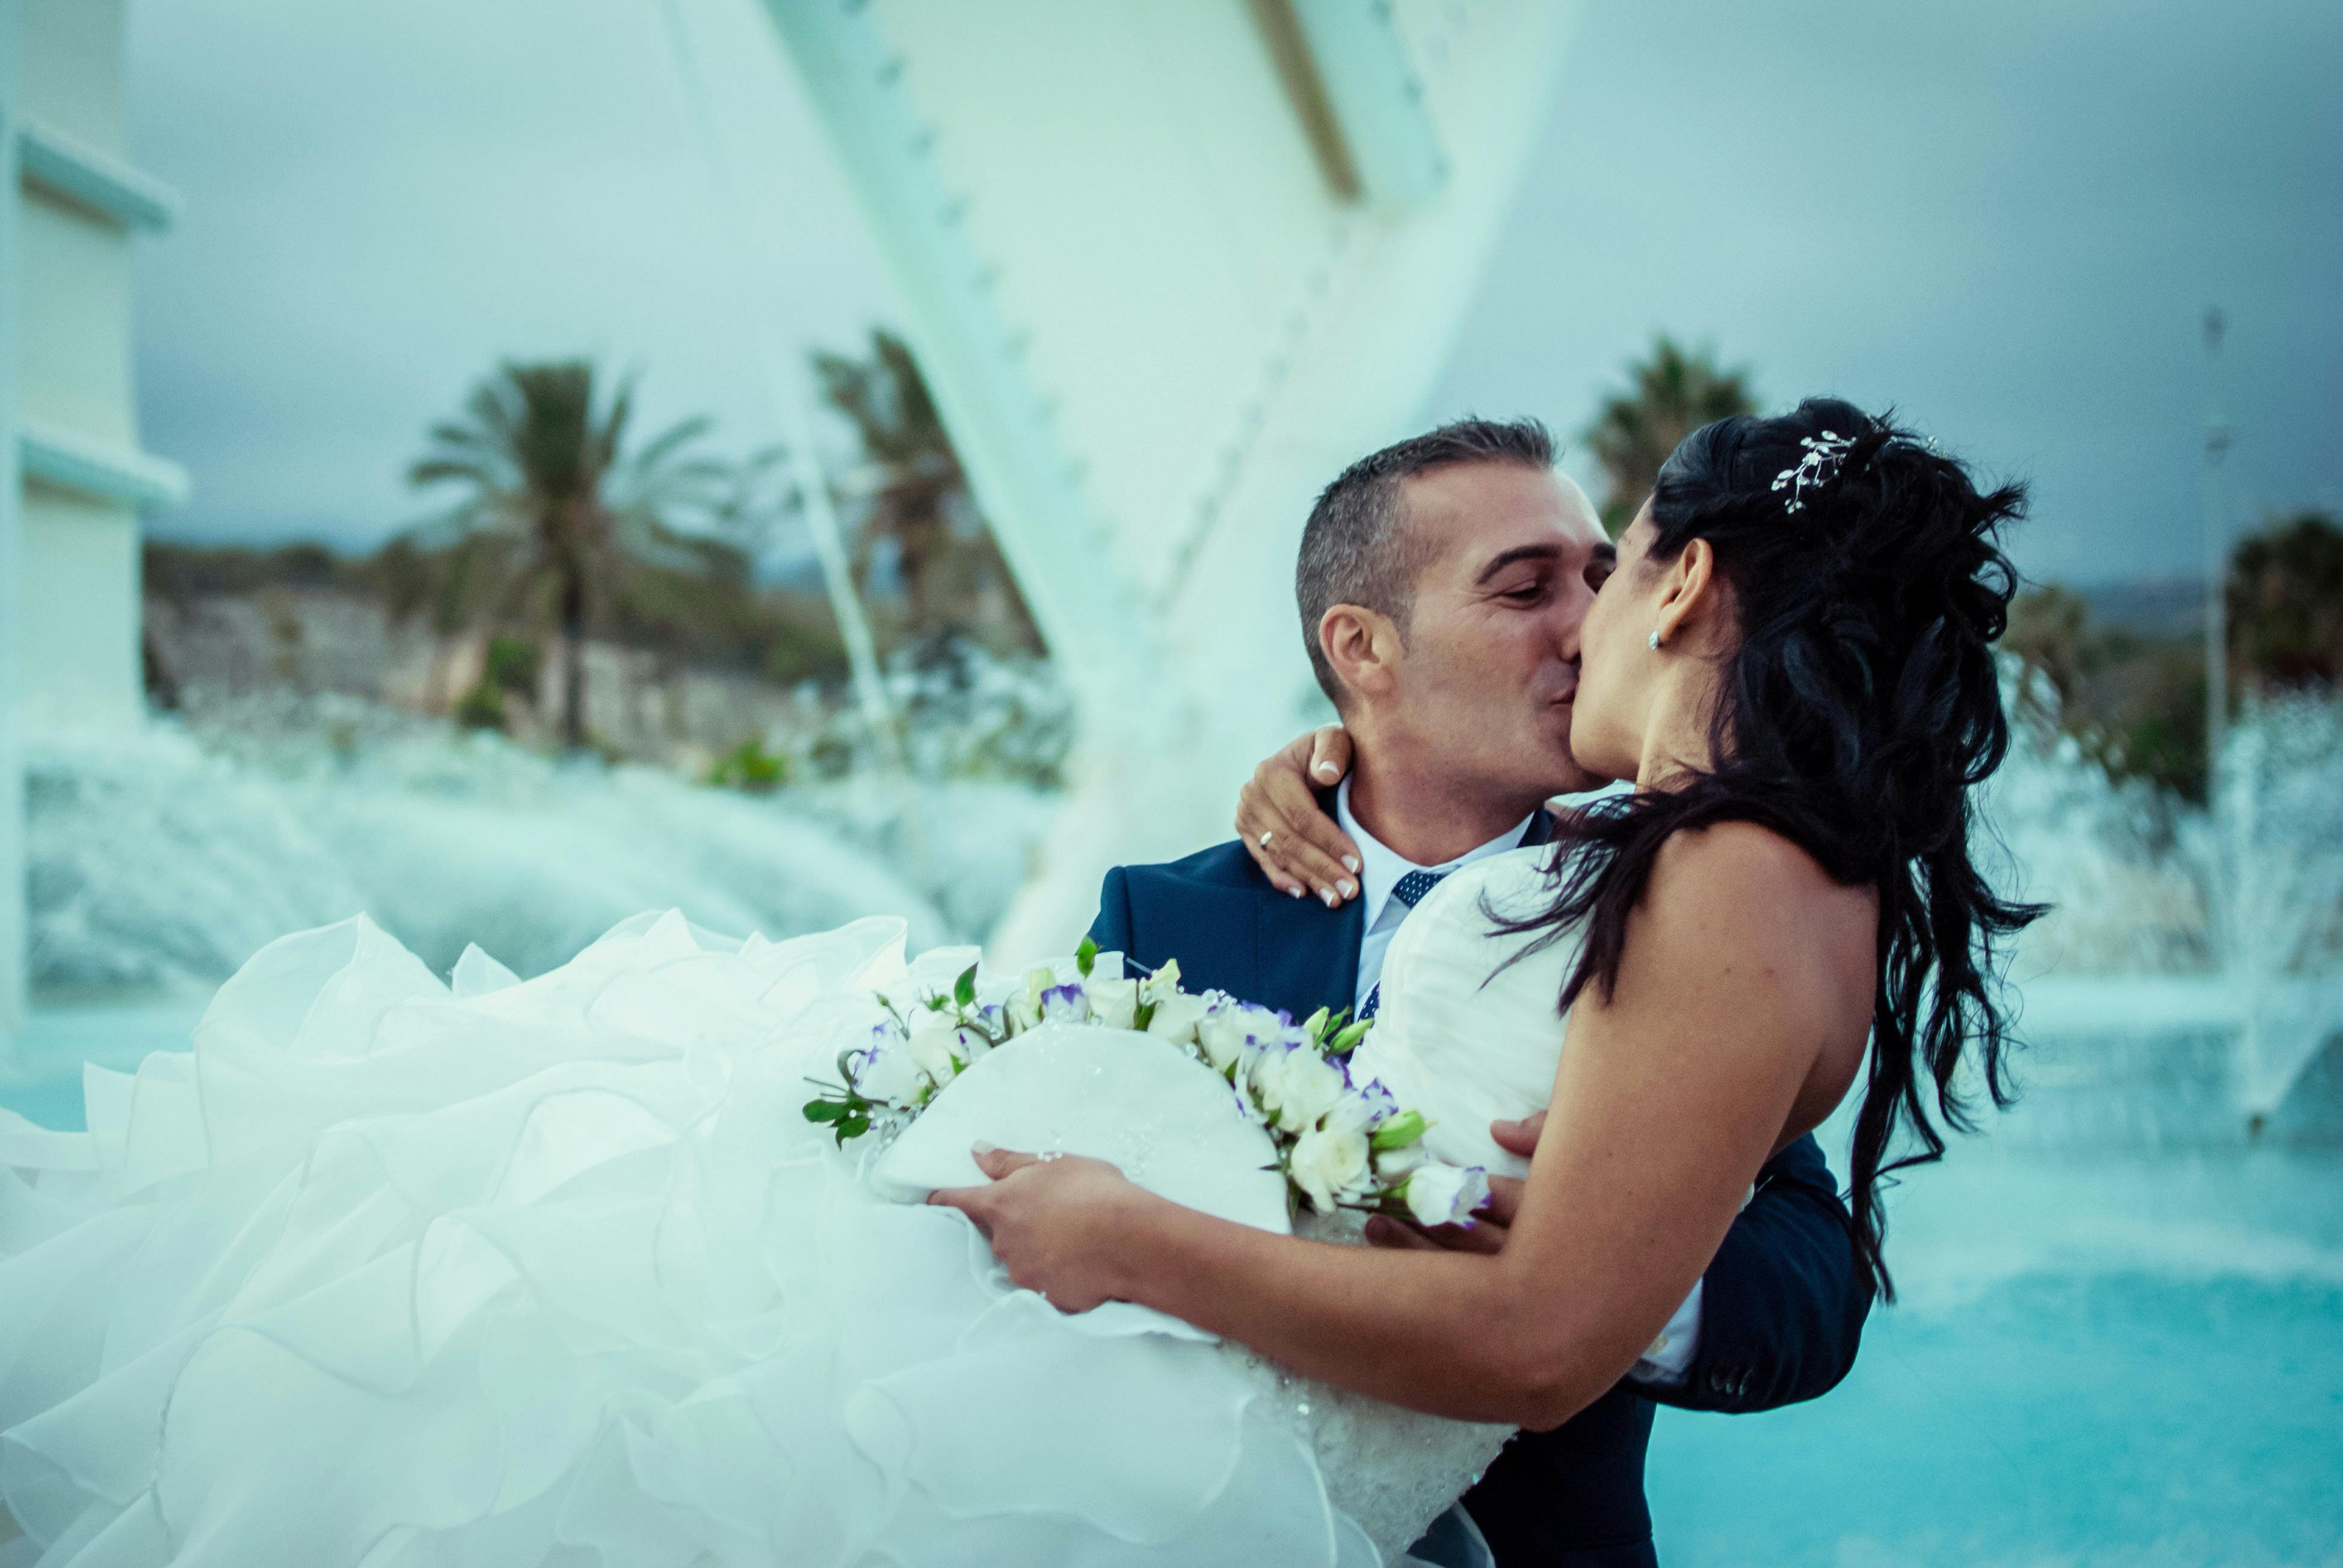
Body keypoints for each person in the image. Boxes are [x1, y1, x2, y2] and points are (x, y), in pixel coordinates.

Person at [934, 400, 2043, 1561]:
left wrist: (1626, 1265)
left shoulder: (1687, 890)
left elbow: (1804, 1266)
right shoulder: (1165, 913)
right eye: (1525, 591)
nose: (1577, 630)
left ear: (1680, 587)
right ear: (1362, 651)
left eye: (1600, 576)